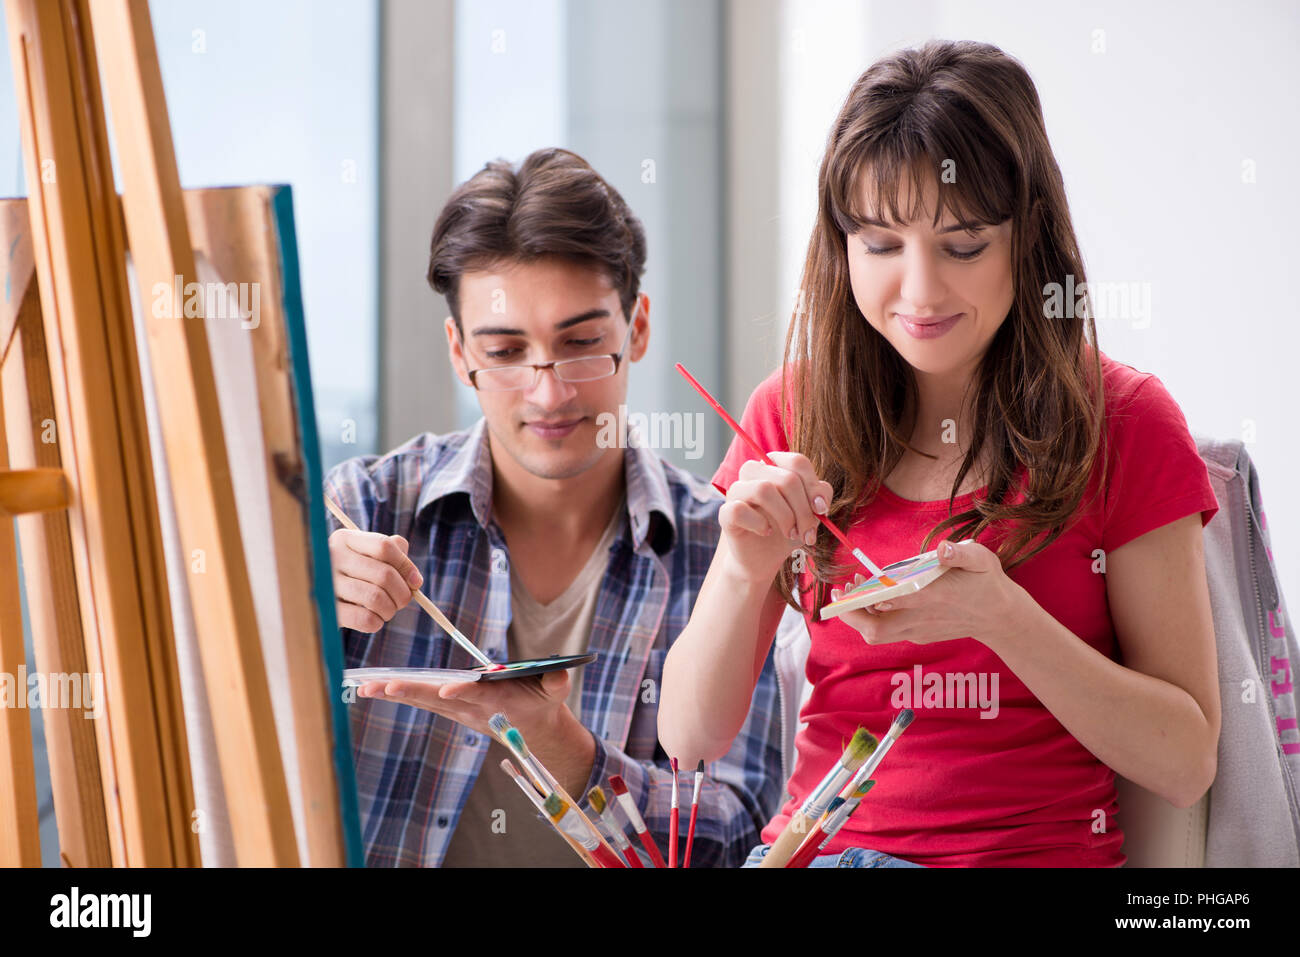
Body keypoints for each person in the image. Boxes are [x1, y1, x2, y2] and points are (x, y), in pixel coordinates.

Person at [657, 39, 1221, 868]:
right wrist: (743, 570)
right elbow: (689, 735)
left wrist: (1003, 621)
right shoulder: (790, 412)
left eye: (962, 246)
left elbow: (1185, 761)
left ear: (1027, 236)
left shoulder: (1125, 424)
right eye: (881, 246)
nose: (919, 292)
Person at [323, 147, 783, 867]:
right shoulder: (364, 511)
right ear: (459, 352)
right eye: (506, 351)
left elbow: (740, 835)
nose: (549, 393)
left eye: (581, 344)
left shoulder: (725, 550)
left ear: (636, 330)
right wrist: (293, 615)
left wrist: (562, 748)